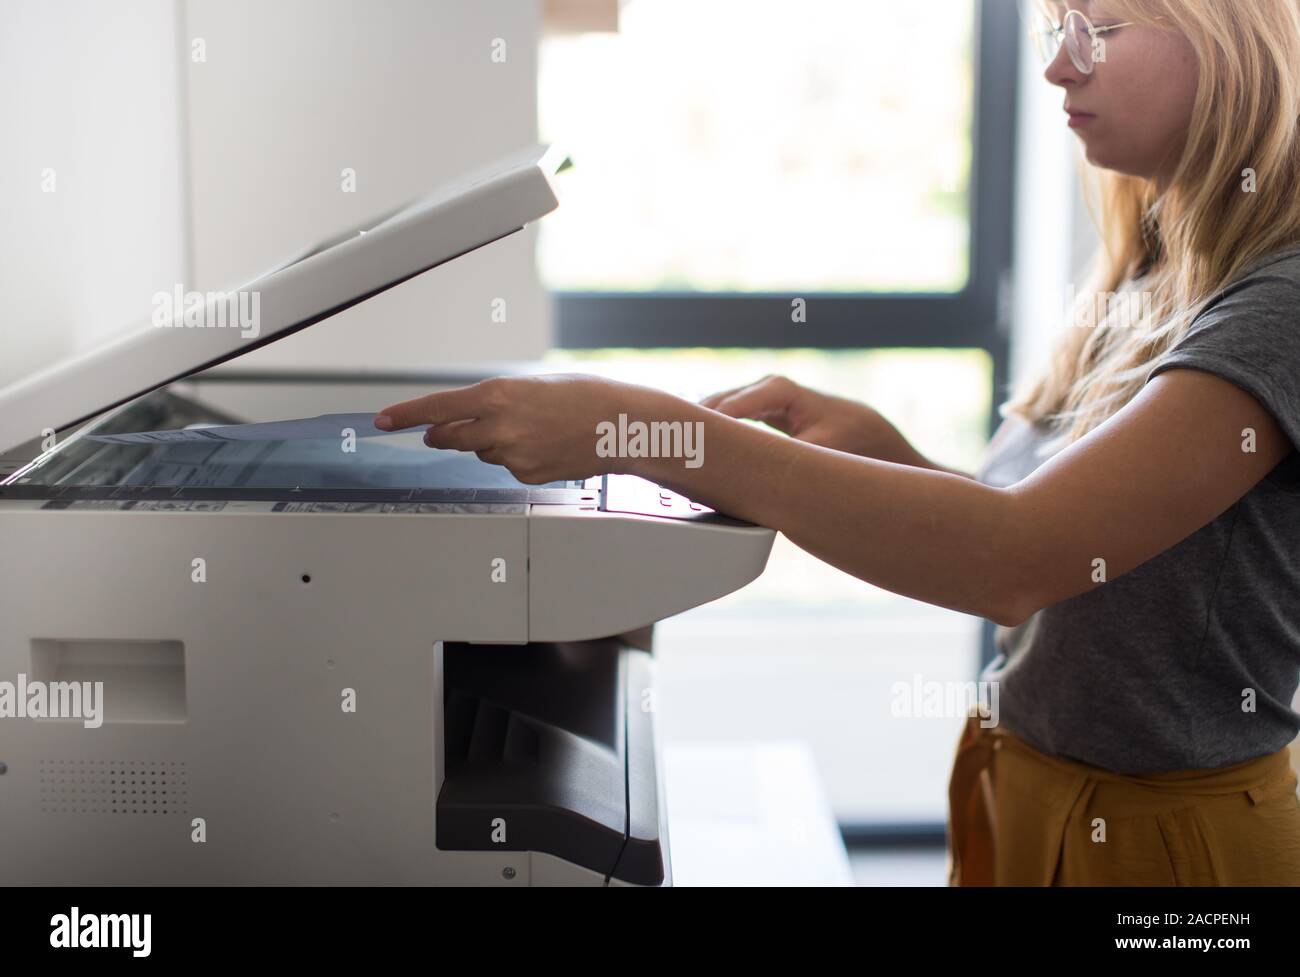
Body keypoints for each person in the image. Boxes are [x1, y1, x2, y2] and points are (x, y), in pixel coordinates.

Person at [374, 0, 1300, 884]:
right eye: (1059, 30)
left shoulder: (1279, 304)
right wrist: (881, 453)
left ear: (1231, 35)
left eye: (1097, 30)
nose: (1060, 63)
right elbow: (1094, 560)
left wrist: (644, 433)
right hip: (1027, 787)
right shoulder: (1148, 262)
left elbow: (1020, 557)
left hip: (1176, 850)